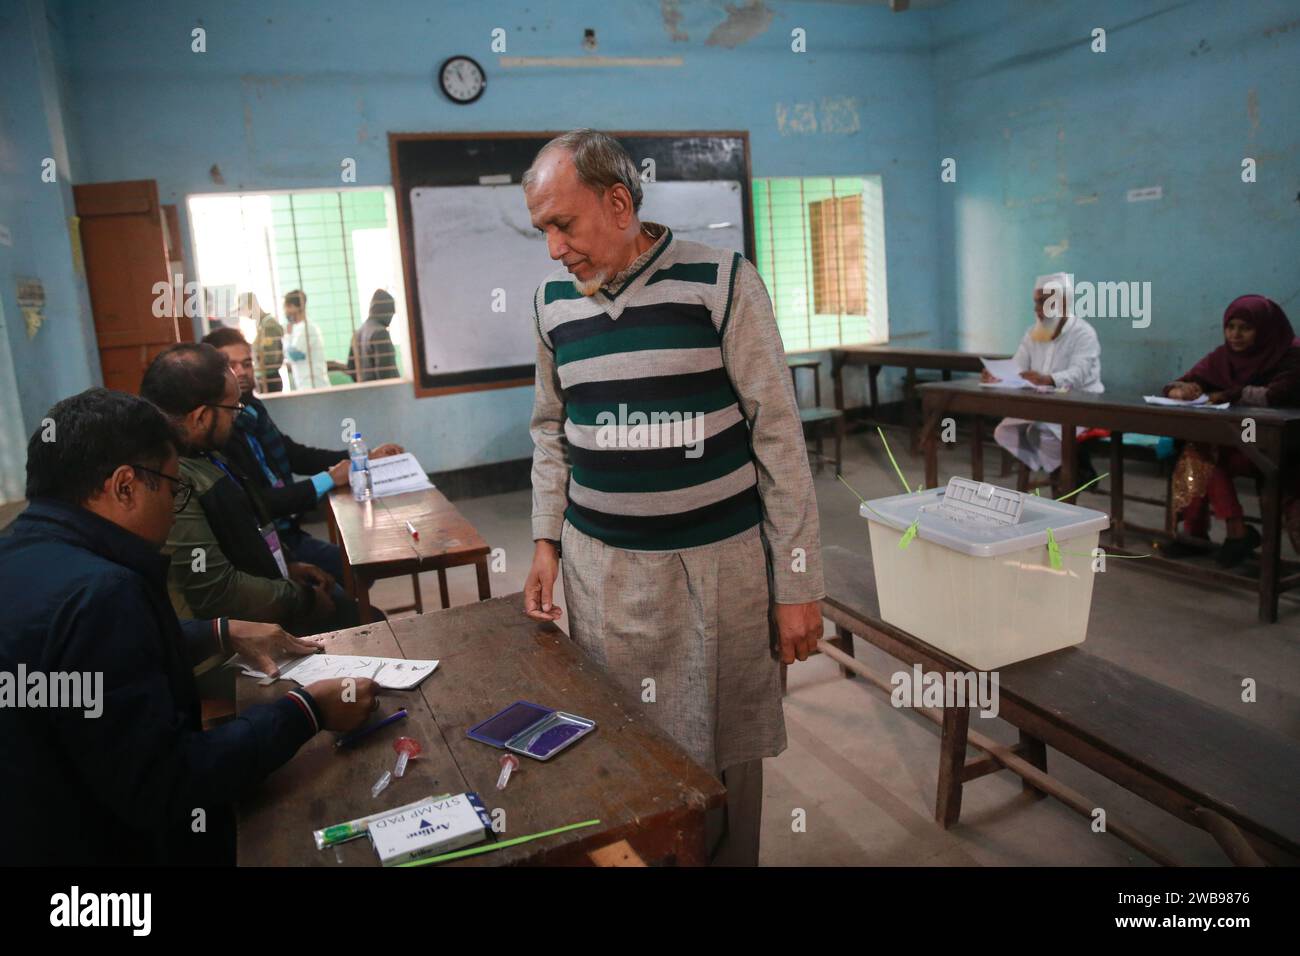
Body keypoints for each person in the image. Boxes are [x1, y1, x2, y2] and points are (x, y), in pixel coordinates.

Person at [521, 129, 824, 866]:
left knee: (723, 762)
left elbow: (779, 437)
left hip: (717, 575)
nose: (555, 249)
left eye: (564, 224)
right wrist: (545, 542)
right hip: (603, 578)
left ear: (619, 203)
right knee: (622, 748)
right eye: (542, 232)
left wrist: (798, 584)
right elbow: (550, 430)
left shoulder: (721, 282)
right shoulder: (551, 303)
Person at [0, 388, 379, 864]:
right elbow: (166, 781)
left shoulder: (23, 550)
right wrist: (307, 710)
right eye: (172, 487)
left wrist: (218, 632)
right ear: (125, 487)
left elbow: (89, 660)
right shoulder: (103, 592)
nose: (175, 503)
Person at [140, 343, 360, 634]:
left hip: (273, 592)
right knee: (359, 622)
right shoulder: (173, 479)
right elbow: (217, 590)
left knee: (357, 612)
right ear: (201, 417)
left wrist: (287, 568)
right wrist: (301, 599)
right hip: (244, 633)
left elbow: (247, 530)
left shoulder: (207, 455)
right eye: (233, 409)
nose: (236, 417)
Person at [202, 326, 403, 581]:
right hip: (264, 544)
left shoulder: (252, 409)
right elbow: (261, 503)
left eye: (247, 363)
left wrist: (363, 457)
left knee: (361, 568)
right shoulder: (220, 431)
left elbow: (294, 455)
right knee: (355, 575)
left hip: (287, 531)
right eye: (231, 365)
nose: (241, 371)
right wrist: (330, 479)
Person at [1162, 294, 1300, 566]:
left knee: (1204, 450)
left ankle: (1207, 534)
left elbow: (1276, 396)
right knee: (1198, 450)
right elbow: (1179, 383)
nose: (1235, 335)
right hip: (1245, 439)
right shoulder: (1224, 356)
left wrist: (1224, 395)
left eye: (1245, 328)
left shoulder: (1291, 354)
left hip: (1284, 446)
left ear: (1264, 329)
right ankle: (1225, 532)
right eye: (1230, 327)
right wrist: (1181, 390)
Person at [983, 272, 1104, 492]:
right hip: (1041, 403)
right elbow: (1017, 365)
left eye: (1042, 301)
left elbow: (1080, 374)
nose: (1036, 308)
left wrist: (1049, 379)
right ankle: (1068, 469)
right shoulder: (1033, 333)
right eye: (1036, 302)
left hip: (1080, 403)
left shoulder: (1083, 333)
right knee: (1005, 431)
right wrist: (997, 375)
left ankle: (1064, 472)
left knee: (1042, 432)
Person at [346, 289, 402, 381]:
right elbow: (385, 373)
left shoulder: (357, 334)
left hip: (367, 392)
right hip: (385, 393)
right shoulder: (380, 333)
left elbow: (351, 368)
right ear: (386, 311)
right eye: (392, 313)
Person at [236, 292, 284, 393]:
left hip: (269, 379)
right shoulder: (262, 325)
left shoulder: (268, 325)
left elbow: (270, 357)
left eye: (242, 309)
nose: (242, 314)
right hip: (264, 378)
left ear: (250, 306)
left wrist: (253, 352)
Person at [283, 289, 329, 390]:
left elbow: (294, 356)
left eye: (287, 307)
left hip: (313, 385)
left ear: (295, 307)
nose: (285, 311)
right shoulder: (298, 328)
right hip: (306, 384)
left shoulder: (306, 328)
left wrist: (287, 337)